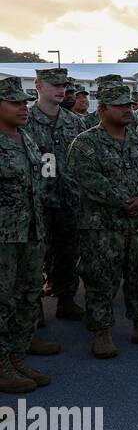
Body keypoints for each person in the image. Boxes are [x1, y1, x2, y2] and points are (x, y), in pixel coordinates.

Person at [67, 84, 138, 358]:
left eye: (129, 105)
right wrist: (126, 201)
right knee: (101, 280)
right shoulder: (86, 143)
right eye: (120, 106)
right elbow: (88, 180)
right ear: (101, 110)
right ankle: (101, 332)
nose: (128, 109)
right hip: (102, 226)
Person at [0, 77, 52, 393]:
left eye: (24, 102)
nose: (23, 107)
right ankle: (2, 363)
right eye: (15, 102)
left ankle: (16, 357)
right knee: (2, 301)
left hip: (30, 232)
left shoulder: (26, 138)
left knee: (27, 296)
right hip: (4, 237)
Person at [26, 67, 85, 327]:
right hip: (36, 201)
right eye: (55, 85)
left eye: (64, 85)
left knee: (68, 250)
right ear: (39, 86)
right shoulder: (24, 120)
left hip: (68, 199)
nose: (61, 90)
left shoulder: (74, 122)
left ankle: (66, 298)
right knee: (34, 255)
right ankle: (33, 307)